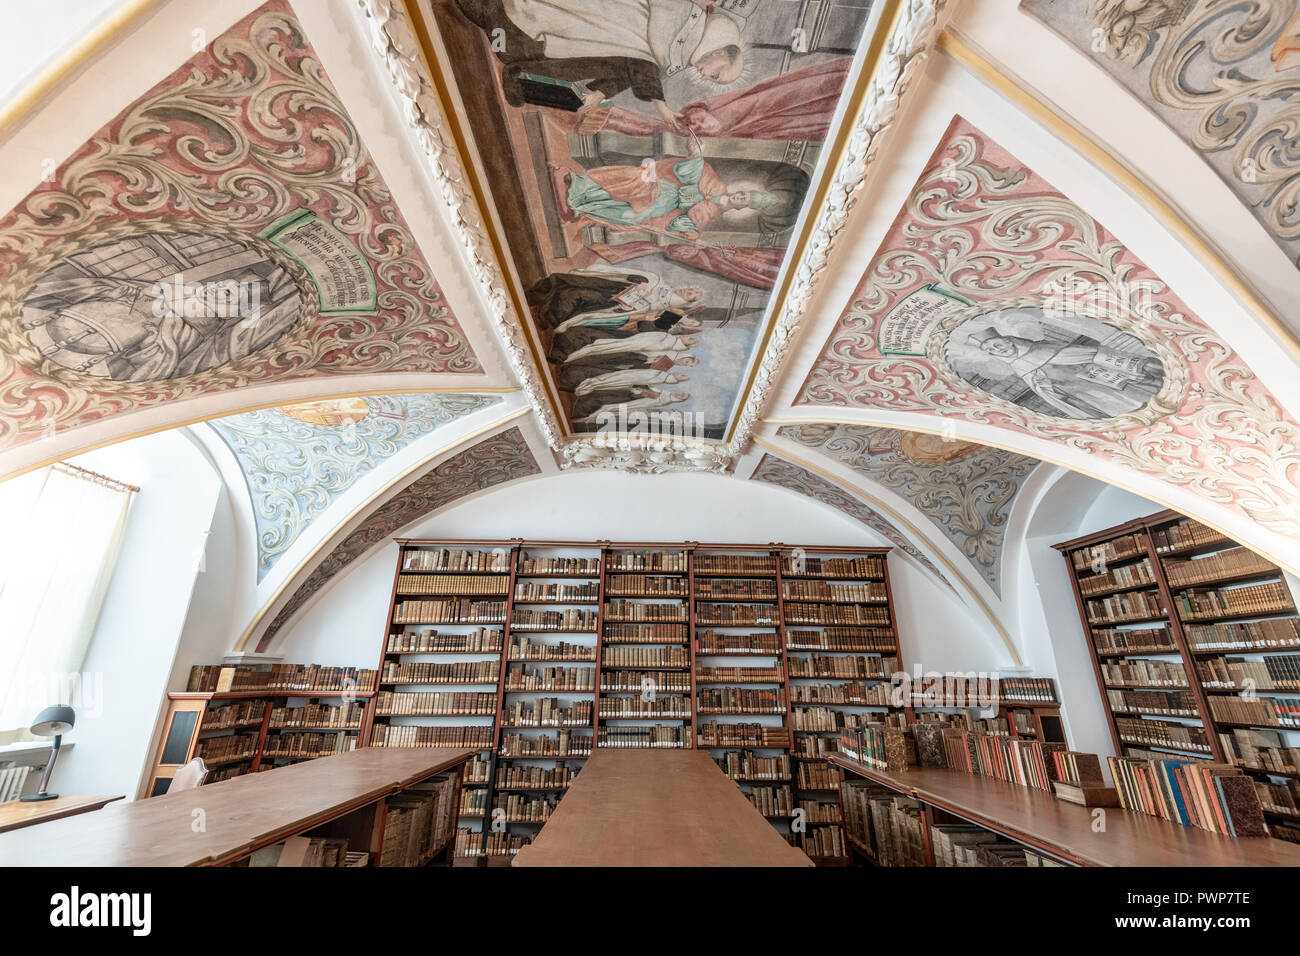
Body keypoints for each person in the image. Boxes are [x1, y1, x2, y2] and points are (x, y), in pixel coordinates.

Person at [454, 0, 749, 130]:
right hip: (584, 21)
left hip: (583, 44)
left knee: (580, 98)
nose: (708, 76)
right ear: (719, 53)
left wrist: (602, 94)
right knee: (517, 23)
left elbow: (627, 67)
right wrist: (660, 106)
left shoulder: (677, 52)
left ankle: (518, 81)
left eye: (715, 81)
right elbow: (640, 67)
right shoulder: (682, 21)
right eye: (718, 74)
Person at [555, 150, 779, 240]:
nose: (741, 197)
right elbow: (684, 170)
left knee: (633, 217)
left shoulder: (710, 216)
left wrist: (690, 233)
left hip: (666, 206)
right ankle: (579, 185)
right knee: (639, 182)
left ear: (742, 208)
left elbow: (676, 225)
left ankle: (582, 206)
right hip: (666, 190)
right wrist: (696, 158)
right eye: (744, 194)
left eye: (745, 200)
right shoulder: (715, 184)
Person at [970, 328, 1164, 419]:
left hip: (1111, 382)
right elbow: (1054, 397)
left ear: (1009, 339)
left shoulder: (1043, 349)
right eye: (991, 350)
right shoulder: (1022, 370)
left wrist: (1138, 365)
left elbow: (1093, 354)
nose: (998, 349)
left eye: (997, 344)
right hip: (1088, 398)